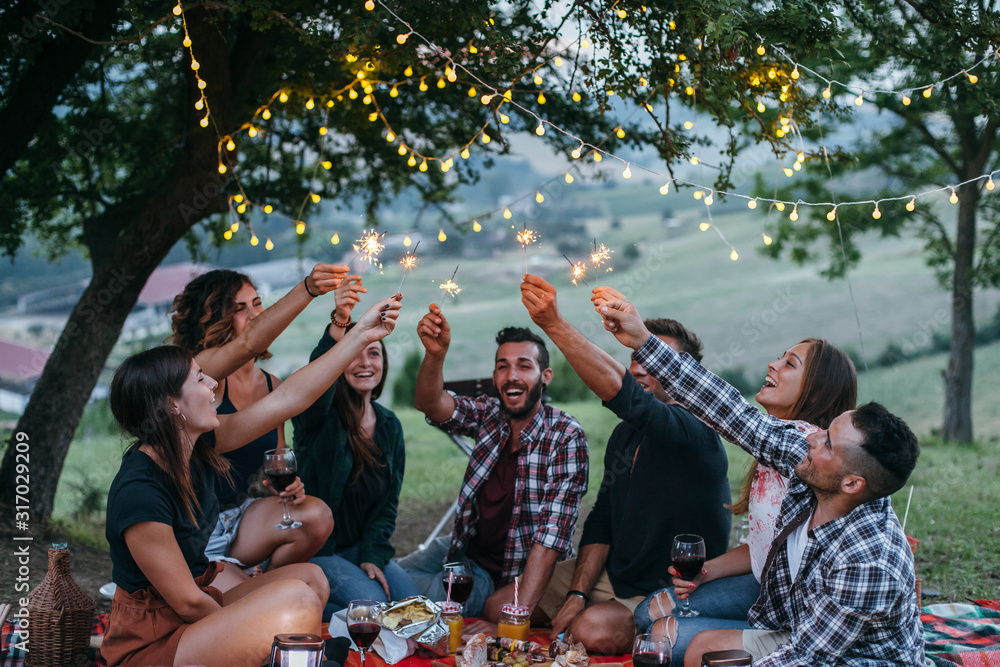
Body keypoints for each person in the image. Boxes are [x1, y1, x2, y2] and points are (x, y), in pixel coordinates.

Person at [597, 298, 923, 667]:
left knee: (696, 651)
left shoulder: (868, 562)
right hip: (791, 617)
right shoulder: (811, 462)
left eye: (827, 441)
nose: (812, 438)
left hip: (848, 658)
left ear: (852, 484)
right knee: (670, 631)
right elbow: (730, 411)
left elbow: (805, 658)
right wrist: (643, 340)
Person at [102, 293, 402, 667]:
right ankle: (303, 658)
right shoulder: (139, 492)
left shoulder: (198, 444)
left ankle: (295, 657)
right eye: (198, 378)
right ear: (171, 405)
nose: (212, 383)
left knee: (311, 580)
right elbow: (186, 601)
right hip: (154, 644)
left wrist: (358, 336)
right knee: (293, 602)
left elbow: (290, 398)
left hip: (197, 603)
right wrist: (255, 623)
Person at [519, 275, 731, 654]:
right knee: (504, 603)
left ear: (687, 375)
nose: (638, 369)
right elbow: (602, 519)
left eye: (654, 360)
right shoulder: (625, 435)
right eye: (636, 358)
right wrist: (578, 593)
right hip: (615, 574)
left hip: (670, 586)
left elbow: (629, 399)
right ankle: (598, 610)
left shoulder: (697, 429)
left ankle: (648, 624)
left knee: (592, 632)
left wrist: (553, 324)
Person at [633, 321, 858, 658]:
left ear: (815, 391)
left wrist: (641, 339)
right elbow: (762, 546)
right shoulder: (776, 452)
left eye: (789, 364)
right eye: (780, 358)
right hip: (766, 586)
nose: (773, 364)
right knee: (647, 612)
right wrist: (704, 574)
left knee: (662, 636)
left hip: (804, 615)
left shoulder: (803, 449)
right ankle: (745, 636)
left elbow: (729, 411)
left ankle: (765, 643)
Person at [398, 304, 589, 625]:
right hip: (462, 550)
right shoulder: (489, 414)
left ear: (545, 377)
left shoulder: (565, 435)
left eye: (523, 366)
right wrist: (434, 354)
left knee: (408, 598)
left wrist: (512, 621)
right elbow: (428, 403)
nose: (512, 375)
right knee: (390, 574)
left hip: (506, 576)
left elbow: (551, 539)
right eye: (503, 366)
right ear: (495, 376)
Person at [169, 266, 342, 573]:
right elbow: (248, 343)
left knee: (317, 515)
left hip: (238, 516)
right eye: (239, 308)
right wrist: (308, 288)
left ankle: (262, 580)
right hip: (192, 527)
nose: (255, 315)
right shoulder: (200, 374)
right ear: (212, 319)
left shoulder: (271, 383)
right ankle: (242, 584)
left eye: (257, 303)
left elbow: (276, 462)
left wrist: (289, 487)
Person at [293, 276, 420, 615]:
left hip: (359, 548)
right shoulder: (317, 417)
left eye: (374, 354)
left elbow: (387, 506)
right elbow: (314, 382)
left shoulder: (390, 425)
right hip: (317, 551)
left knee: (416, 609)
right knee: (374, 609)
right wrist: (339, 322)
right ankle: (310, 611)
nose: (365, 363)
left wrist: (373, 556)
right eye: (354, 354)